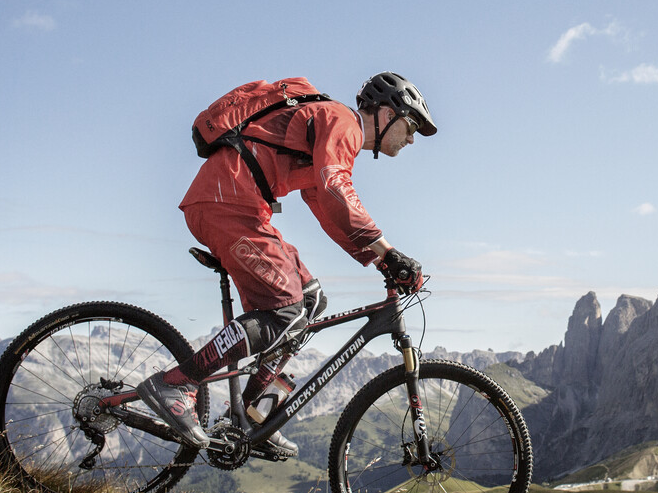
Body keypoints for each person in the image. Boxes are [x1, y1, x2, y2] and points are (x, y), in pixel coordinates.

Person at [135, 72, 435, 453]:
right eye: (411, 127)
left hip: (239, 206)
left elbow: (326, 207)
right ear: (387, 114)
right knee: (286, 310)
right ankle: (177, 383)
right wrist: (389, 252)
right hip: (225, 203)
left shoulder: (334, 130)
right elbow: (336, 190)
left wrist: (380, 261)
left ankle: (253, 413)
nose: (411, 139)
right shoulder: (344, 123)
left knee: (311, 300)